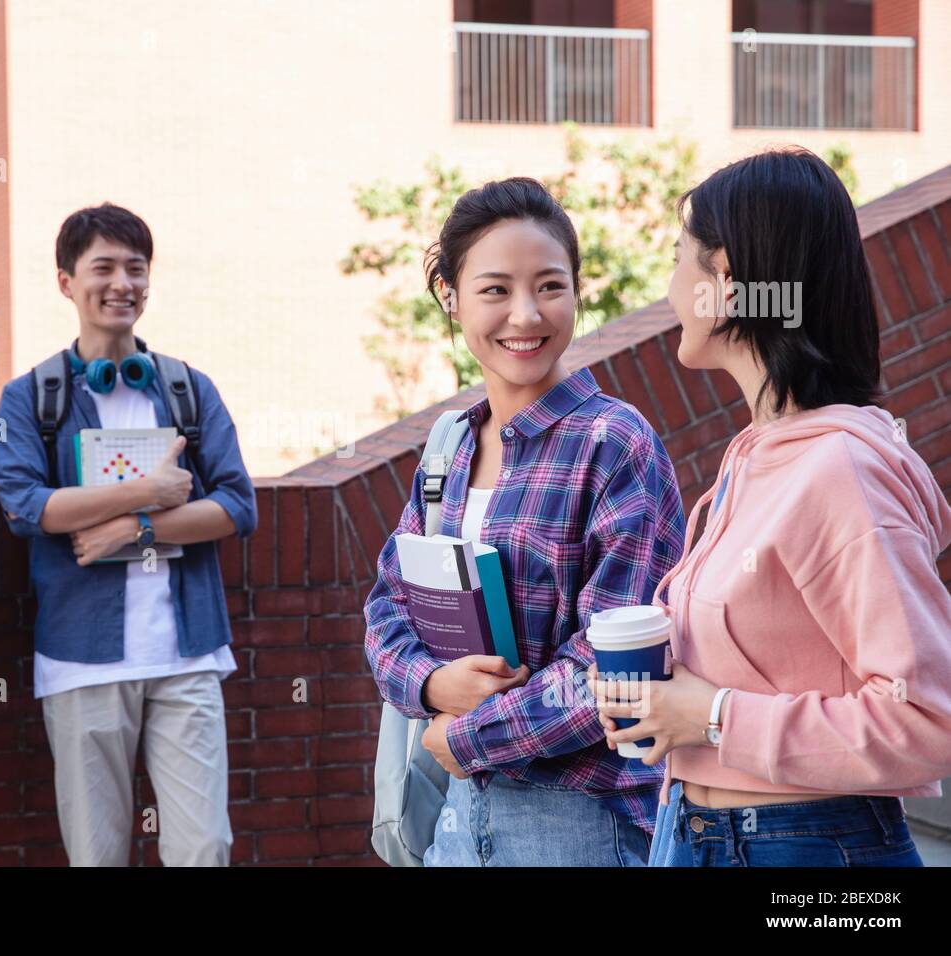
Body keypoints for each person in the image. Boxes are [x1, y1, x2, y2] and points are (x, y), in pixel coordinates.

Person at [590, 147, 951, 867]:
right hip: (693, 832)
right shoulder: (756, 457)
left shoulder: (839, 468)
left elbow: (927, 720)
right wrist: (671, 706)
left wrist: (715, 714)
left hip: (805, 850)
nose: (668, 290)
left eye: (677, 260)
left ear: (725, 283)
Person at [364, 178, 686, 866]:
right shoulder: (448, 445)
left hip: (580, 823)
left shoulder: (614, 442)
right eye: (494, 290)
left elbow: (617, 665)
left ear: (576, 290)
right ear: (450, 297)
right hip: (458, 816)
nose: (525, 314)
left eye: (548, 286)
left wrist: (467, 733)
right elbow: (387, 604)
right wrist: (428, 684)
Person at [0, 203, 256, 866]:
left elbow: (237, 506)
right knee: (97, 853)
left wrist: (132, 528)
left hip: (187, 657)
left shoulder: (188, 388)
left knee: (204, 849)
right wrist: (147, 492)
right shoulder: (33, 398)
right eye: (102, 267)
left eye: (135, 269)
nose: (121, 283)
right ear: (65, 282)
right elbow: (25, 507)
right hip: (82, 659)